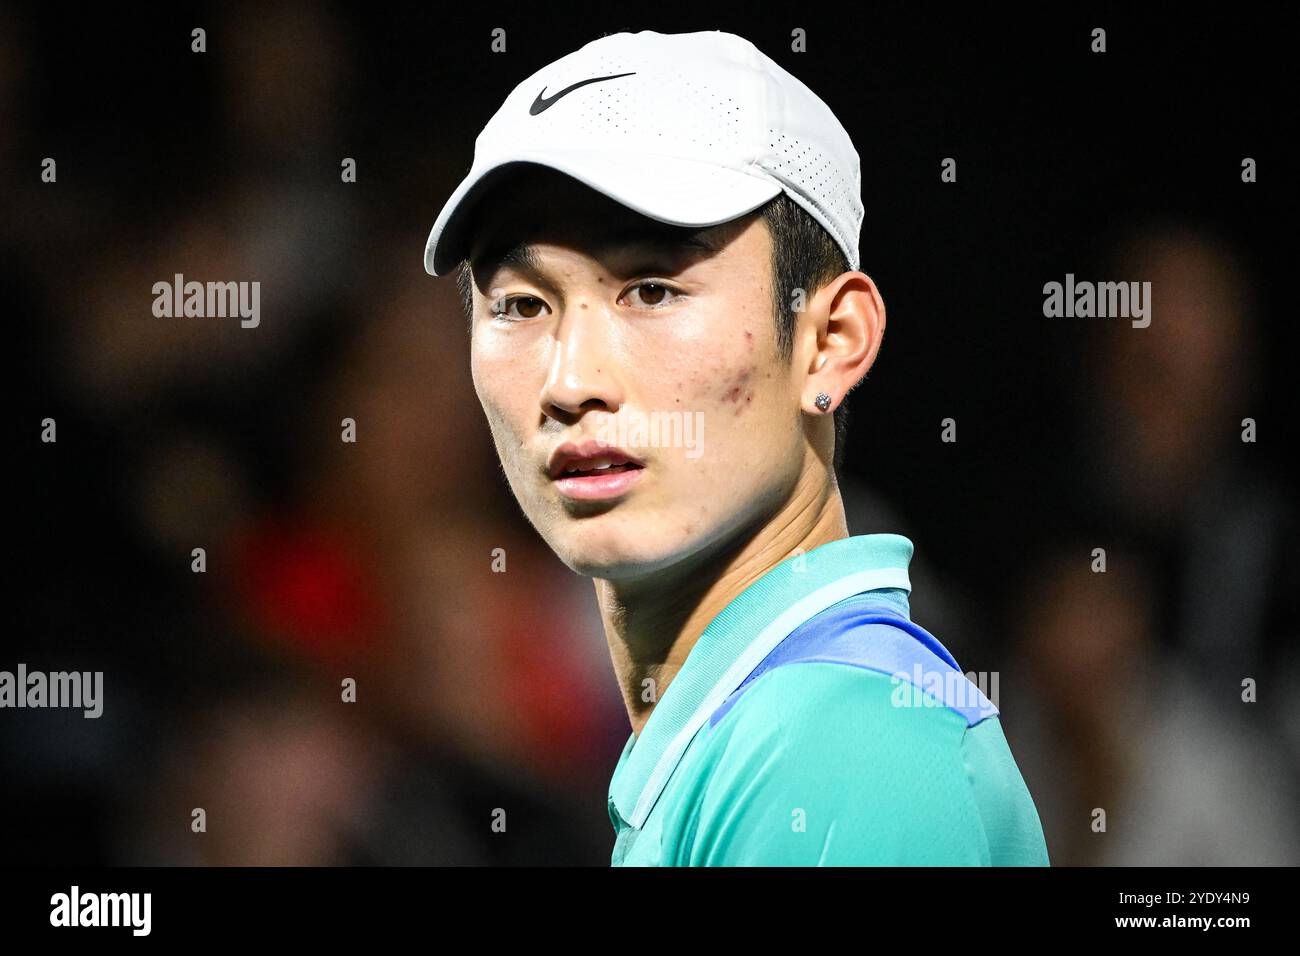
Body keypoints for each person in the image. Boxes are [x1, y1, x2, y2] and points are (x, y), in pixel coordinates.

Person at [420, 29, 1049, 866]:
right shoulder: (765, 733)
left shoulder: (837, 750)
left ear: (828, 343)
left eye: (651, 289)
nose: (570, 382)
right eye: (521, 305)